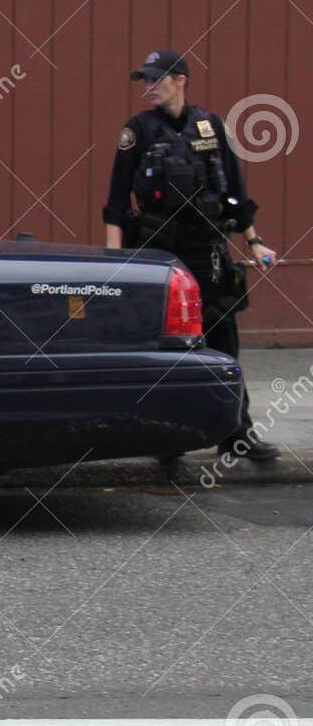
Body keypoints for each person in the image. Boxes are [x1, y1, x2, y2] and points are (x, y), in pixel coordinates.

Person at [103, 48, 280, 461]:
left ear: (180, 80)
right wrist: (113, 261)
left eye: (156, 79)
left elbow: (234, 190)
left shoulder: (211, 126)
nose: (149, 87)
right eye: (145, 81)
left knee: (222, 340)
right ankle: (168, 438)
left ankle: (236, 433)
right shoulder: (138, 131)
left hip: (207, 249)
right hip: (157, 250)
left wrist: (253, 240)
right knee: (166, 345)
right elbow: (116, 202)